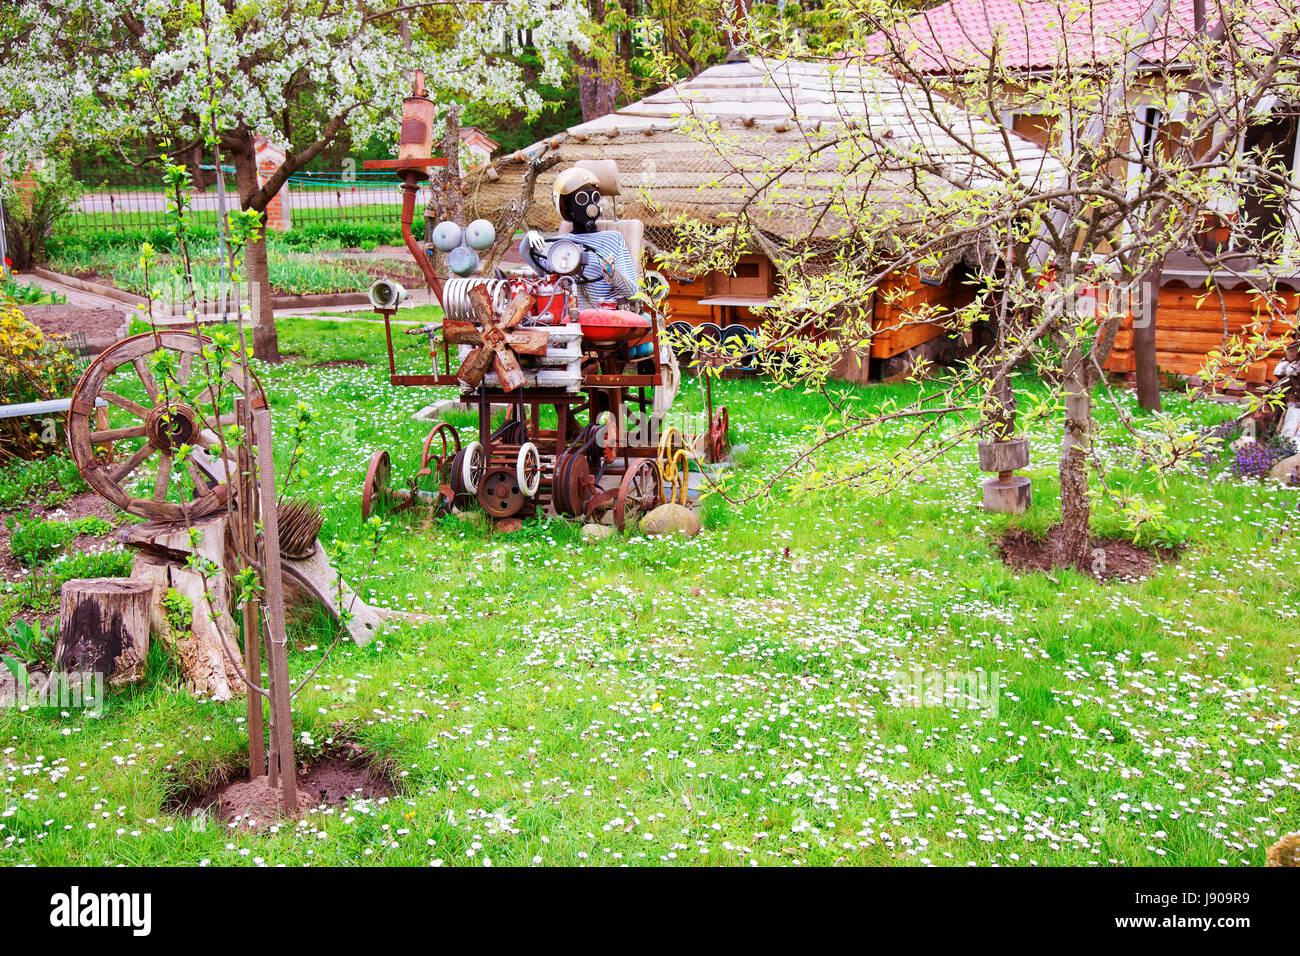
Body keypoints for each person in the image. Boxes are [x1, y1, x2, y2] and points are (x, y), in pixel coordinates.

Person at [521, 167, 638, 307]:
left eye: (594, 198)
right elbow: (532, 259)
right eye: (581, 199)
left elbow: (634, 293)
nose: (590, 205)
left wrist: (613, 274)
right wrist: (529, 237)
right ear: (567, 207)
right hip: (567, 315)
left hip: (605, 314)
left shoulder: (613, 239)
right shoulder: (557, 246)